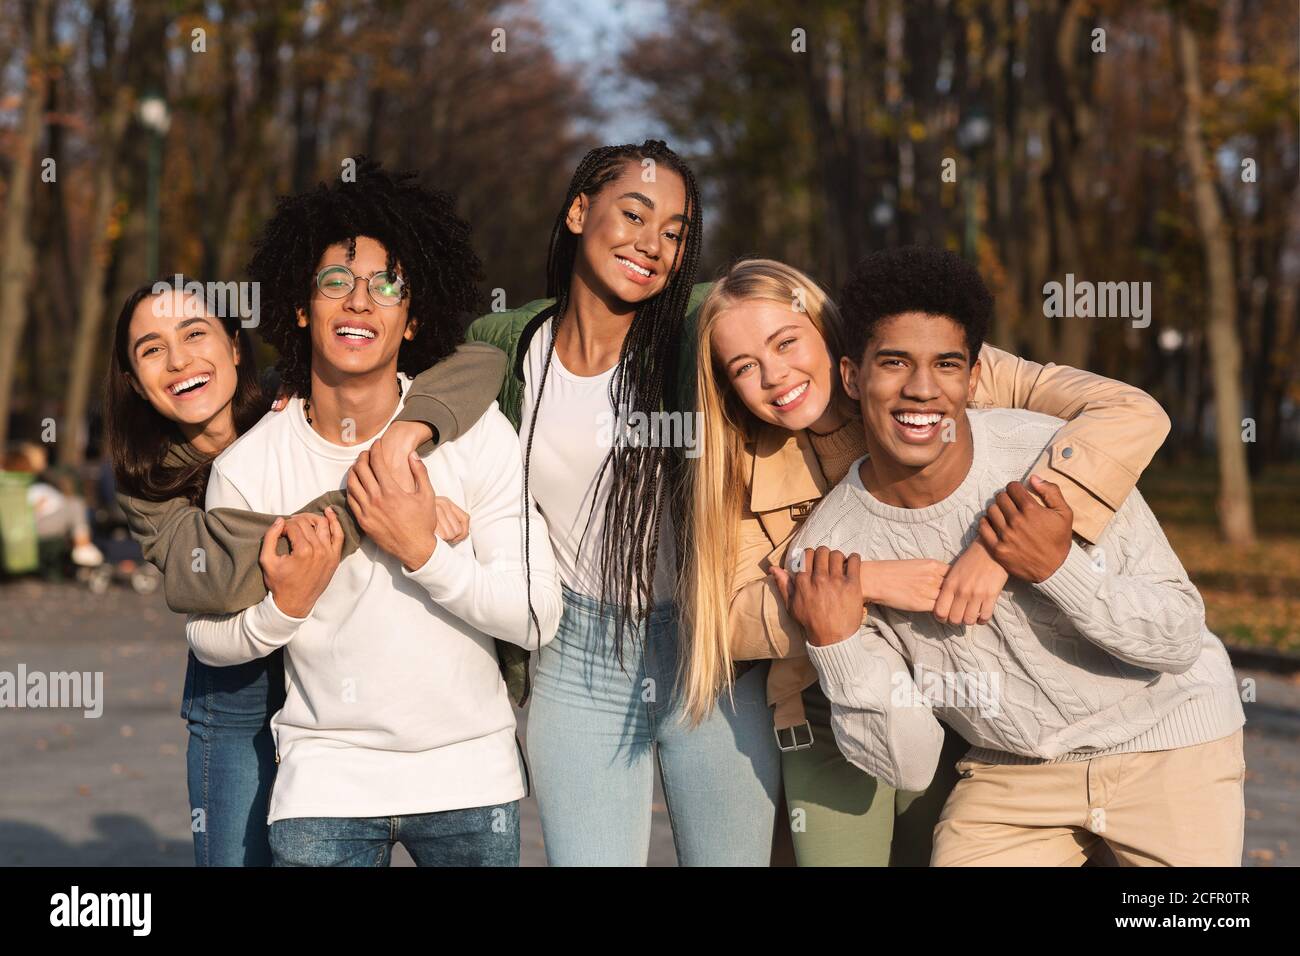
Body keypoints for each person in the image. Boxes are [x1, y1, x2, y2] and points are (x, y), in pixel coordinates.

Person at [682, 258, 1176, 865]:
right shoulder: (733, 459)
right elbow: (723, 617)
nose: (775, 376)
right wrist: (867, 582)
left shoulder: (938, 370)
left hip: (958, 688)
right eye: (744, 367)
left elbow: (1129, 414)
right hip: (826, 690)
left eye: (786, 343)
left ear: (823, 329)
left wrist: (1001, 546)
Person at [776, 245, 1245, 866]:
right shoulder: (832, 549)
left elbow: (1180, 636)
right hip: (1012, 776)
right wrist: (837, 648)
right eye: (895, 363)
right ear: (853, 377)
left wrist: (1059, 569)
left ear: (972, 379)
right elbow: (912, 763)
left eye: (946, 364)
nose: (921, 389)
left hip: (1170, 742)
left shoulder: (1051, 455)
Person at [183, 158, 562, 866]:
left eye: (386, 286)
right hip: (323, 786)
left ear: (412, 318)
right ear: (301, 307)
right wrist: (283, 608)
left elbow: (538, 614)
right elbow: (209, 636)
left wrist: (425, 551)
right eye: (336, 282)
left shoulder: (476, 433)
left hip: (469, 782)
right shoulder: (249, 466)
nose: (360, 301)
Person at [107, 261, 505, 866]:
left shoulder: (292, 398)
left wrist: (402, 441)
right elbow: (208, 576)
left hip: (334, 683)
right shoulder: (145, 480)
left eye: (195, 334)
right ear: (136, 381)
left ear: (234, 347)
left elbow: (482, 363)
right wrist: (381, 500)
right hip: (236, 688)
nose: (180, 360)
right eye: (152, 349)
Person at [467, 140, 782, 865]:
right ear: (580, 211)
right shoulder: (510, 343)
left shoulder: (695, 333)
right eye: (634, 215)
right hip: (578, 658)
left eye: (675, 232)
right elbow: (426, 390)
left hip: (711, 656)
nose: (653, 244)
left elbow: (793, 335)